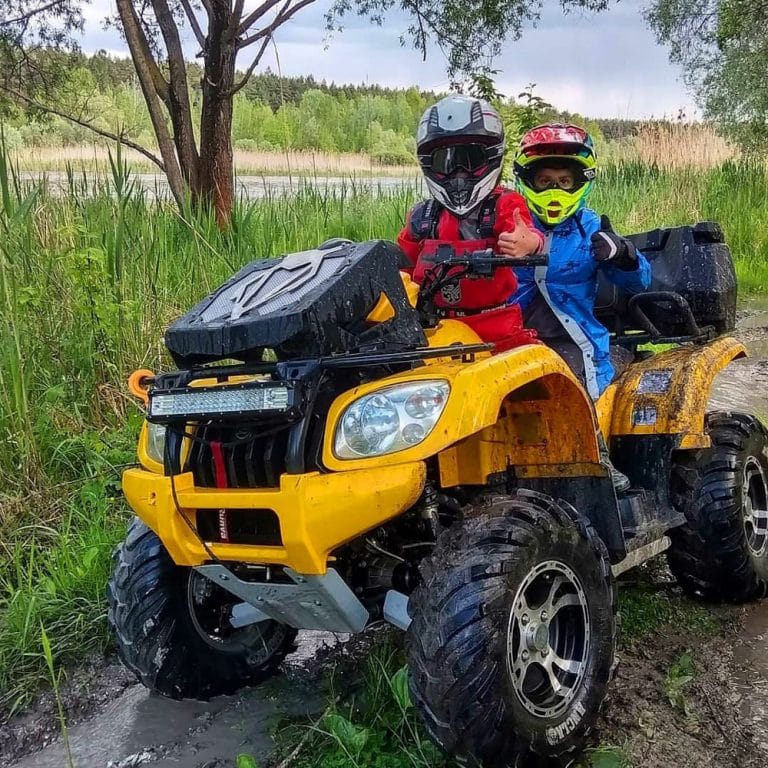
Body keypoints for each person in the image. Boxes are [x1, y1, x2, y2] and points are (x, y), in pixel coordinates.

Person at [503, 123, 652, 491]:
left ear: (578, 182)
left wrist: (623, 255)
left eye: (564, 181)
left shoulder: (590, 227)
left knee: (568, 378)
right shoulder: (506, 220)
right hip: (508, 334)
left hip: (570, 338)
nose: (554, 189)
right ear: (529, 181)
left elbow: (638, 284)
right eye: (545, 179)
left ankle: (595, 463)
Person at [396, 94, 542, 352]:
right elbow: (399, 267)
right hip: (433, 331)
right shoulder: (423, 216)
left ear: (491, 158)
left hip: (498, 330)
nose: (459, 172)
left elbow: (524, 231)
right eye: (447, 162)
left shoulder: (505, 205)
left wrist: (530, 243)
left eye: (471, 159)